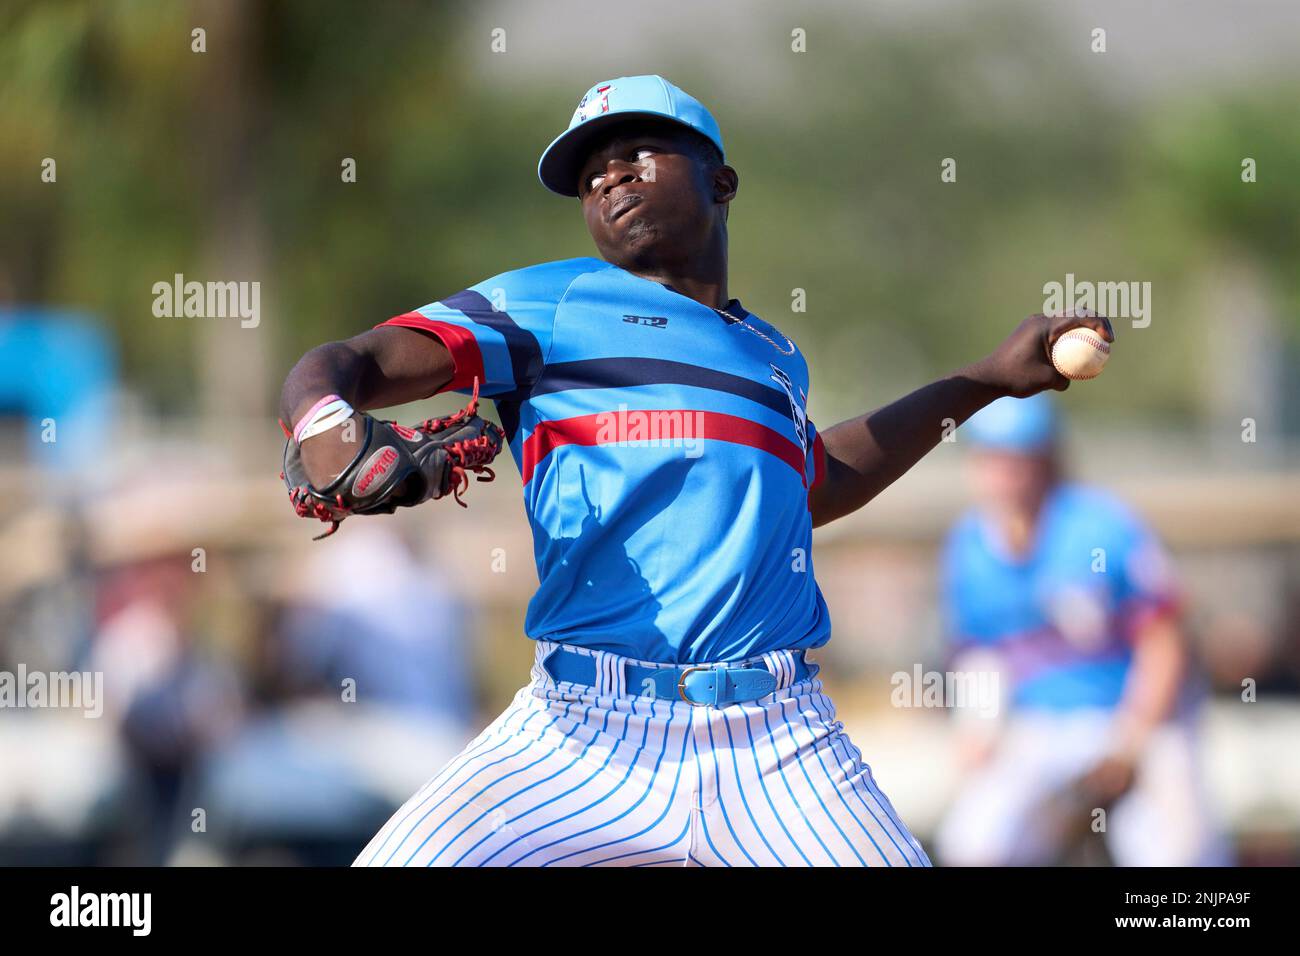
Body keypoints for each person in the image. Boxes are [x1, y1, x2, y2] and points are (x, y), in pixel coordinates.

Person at [278, 75, 1112, 867]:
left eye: (638, 152)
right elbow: (350, 360)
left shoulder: (771, 358)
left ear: (721, 181)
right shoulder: (549, 304)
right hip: (579, 731)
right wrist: (327, 425)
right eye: (592, 174)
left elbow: (812, 483)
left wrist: (985, 383)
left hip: (778, 740)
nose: (609, 177)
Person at [933, 393, 1228, 866]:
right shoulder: (968, 544)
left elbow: (1165, 641)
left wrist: (1130, 742)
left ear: (1047, 459)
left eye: (1017, 459)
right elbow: (978, 651)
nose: (1002, 473)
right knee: (976, 842)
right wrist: (977, 726)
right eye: (990, 458)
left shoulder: (1101, 525)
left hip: (1135, 719)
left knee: (1179, 856)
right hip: (1038, 726)